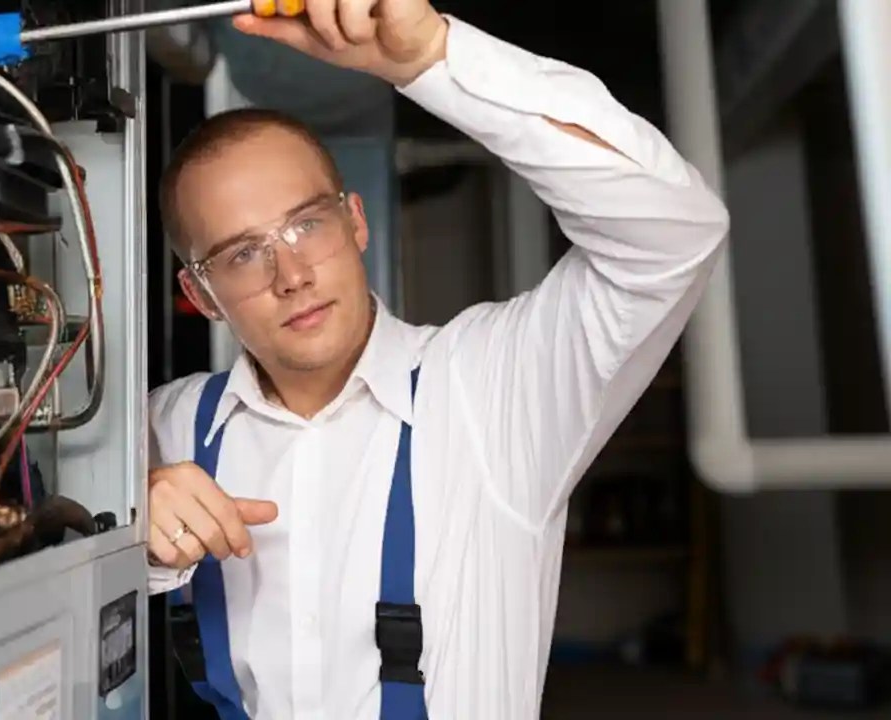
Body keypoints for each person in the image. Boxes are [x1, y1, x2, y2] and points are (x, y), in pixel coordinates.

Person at [145, 1, 730, 718]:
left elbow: (675, 232)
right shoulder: (168, 432)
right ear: (200, 295)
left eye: (307, 224)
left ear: (355, 221)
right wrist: (130, 537)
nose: (290, 274)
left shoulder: (493, 389)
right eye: (243, 254)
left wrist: (430, 60)